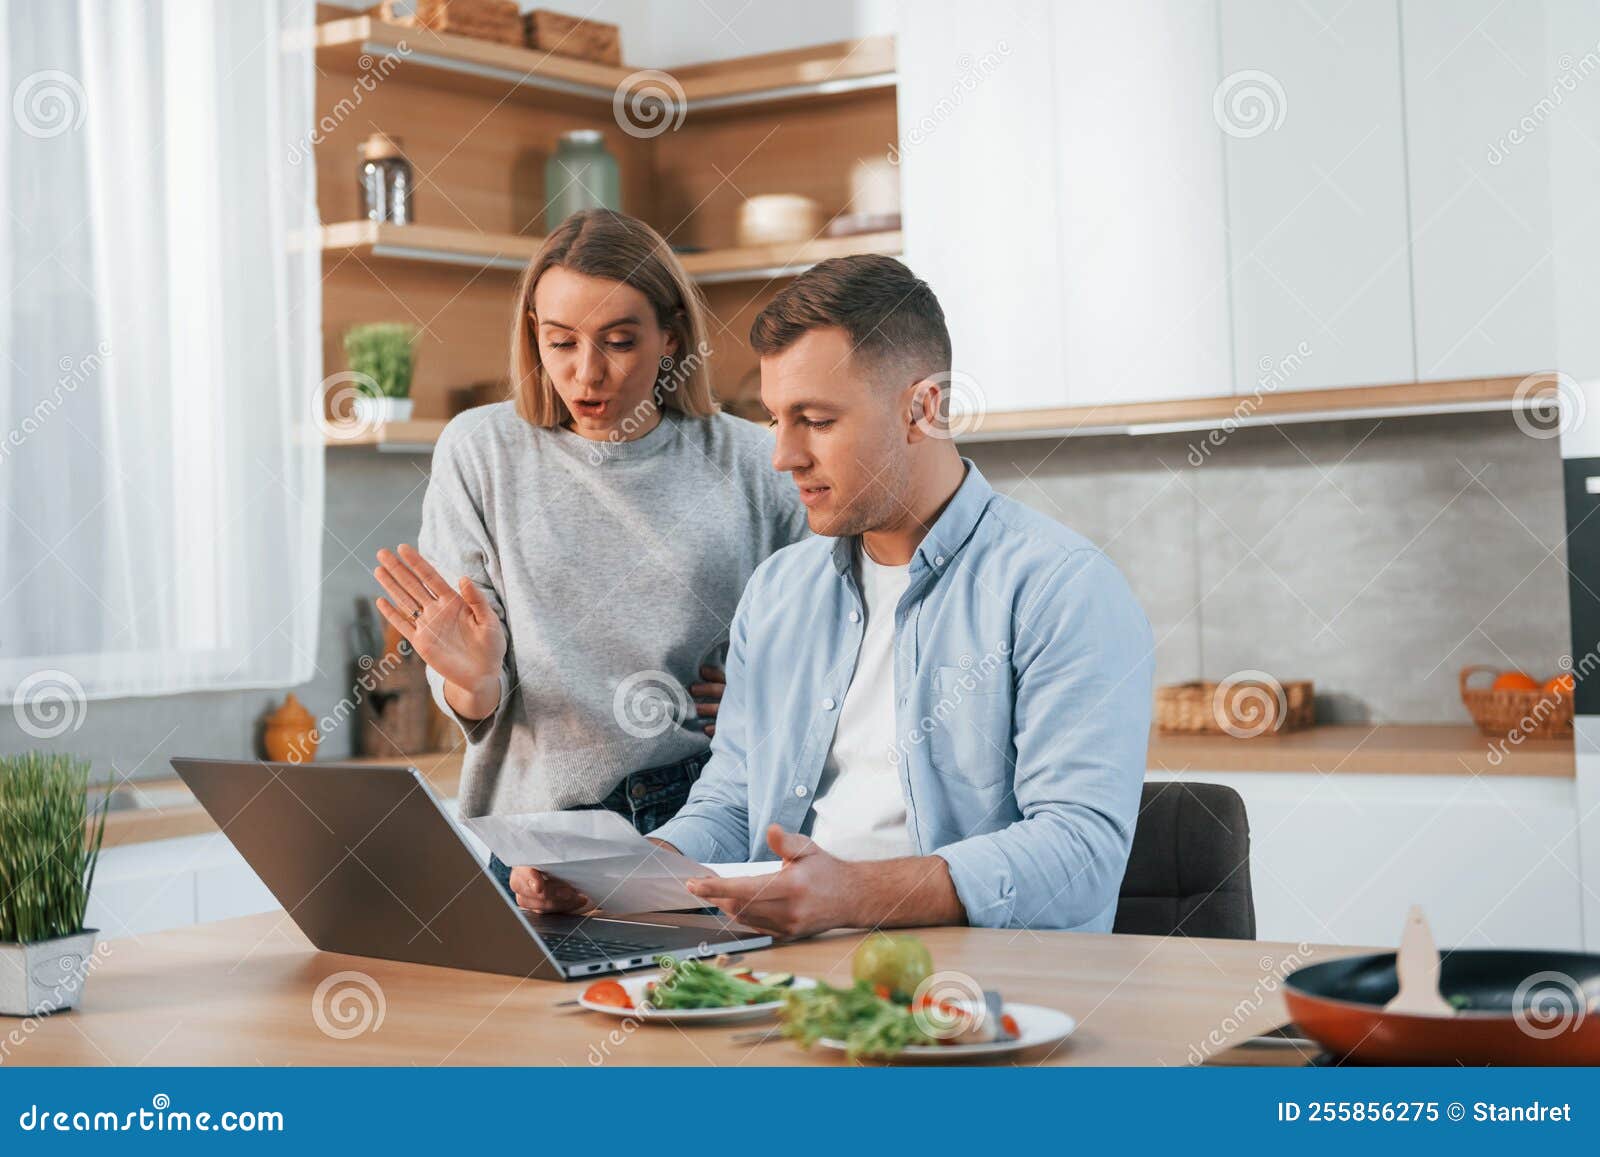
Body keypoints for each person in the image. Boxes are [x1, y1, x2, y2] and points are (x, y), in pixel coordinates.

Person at [643, 253, 1155, 935]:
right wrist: (626, 876)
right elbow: (736, 801)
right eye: (774, 420)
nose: (784, 456)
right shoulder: (778, 592)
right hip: (790, 981)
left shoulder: (1059, 587)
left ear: (922, 409)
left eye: (816, 420)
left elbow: (1079, 851)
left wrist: (856, 895)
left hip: (982, 997)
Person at [371, 209, 807, 912]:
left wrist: (771, 703)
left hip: (702, 814)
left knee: (699, 1016)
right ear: (533, 336)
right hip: (534, 844)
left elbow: (834, 644)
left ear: (671, 335)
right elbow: (481, 704)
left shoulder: (754, 460)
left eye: (619, 341)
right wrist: (472, 678)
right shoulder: (480, 451)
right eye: (561, 342)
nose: (587, 372)